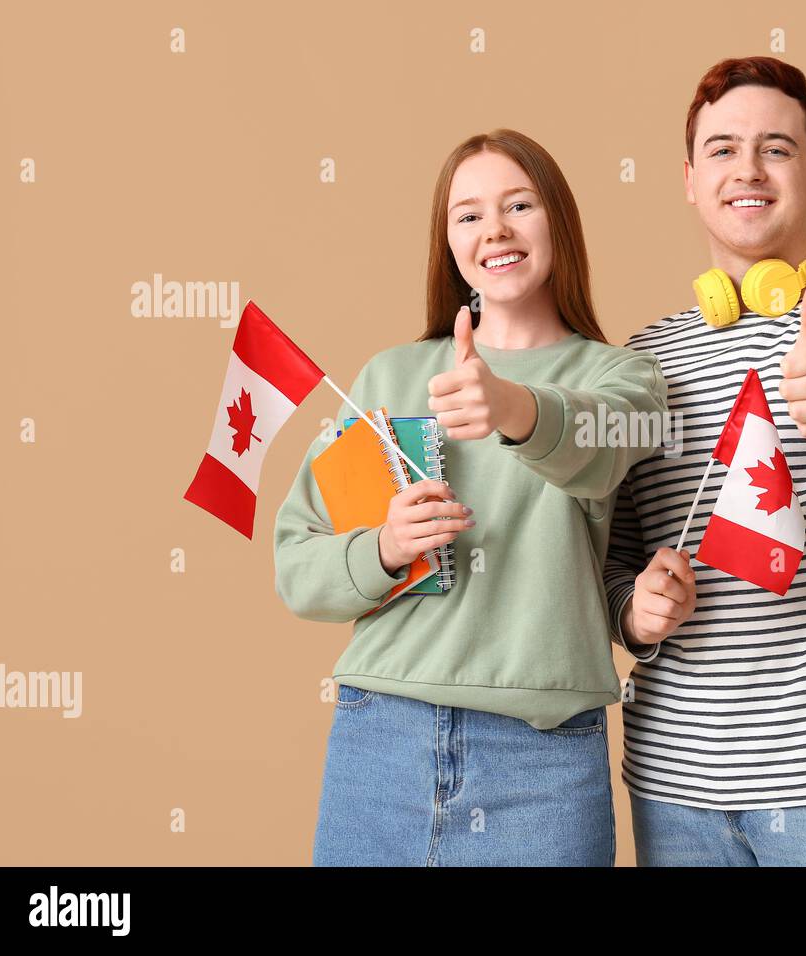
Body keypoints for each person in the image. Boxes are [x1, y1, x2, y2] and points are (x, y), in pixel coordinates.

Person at [274, 129, 668, 866]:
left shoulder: (627, 380)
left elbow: (601, 444)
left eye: (519, 204)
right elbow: (298, 565)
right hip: (379, 743)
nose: (495, 230)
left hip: (542, 759)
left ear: (559, 220)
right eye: (468, 215)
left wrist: (509, 404)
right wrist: (386, 548)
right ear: (447, 241)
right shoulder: (388, 377)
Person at [604, 57, 806, 866]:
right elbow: (613, 556)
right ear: (690, 179)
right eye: (722, 150)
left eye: (777, 149)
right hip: (674, 785)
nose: (747, 170)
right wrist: (631, 609)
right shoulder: (639, 364)